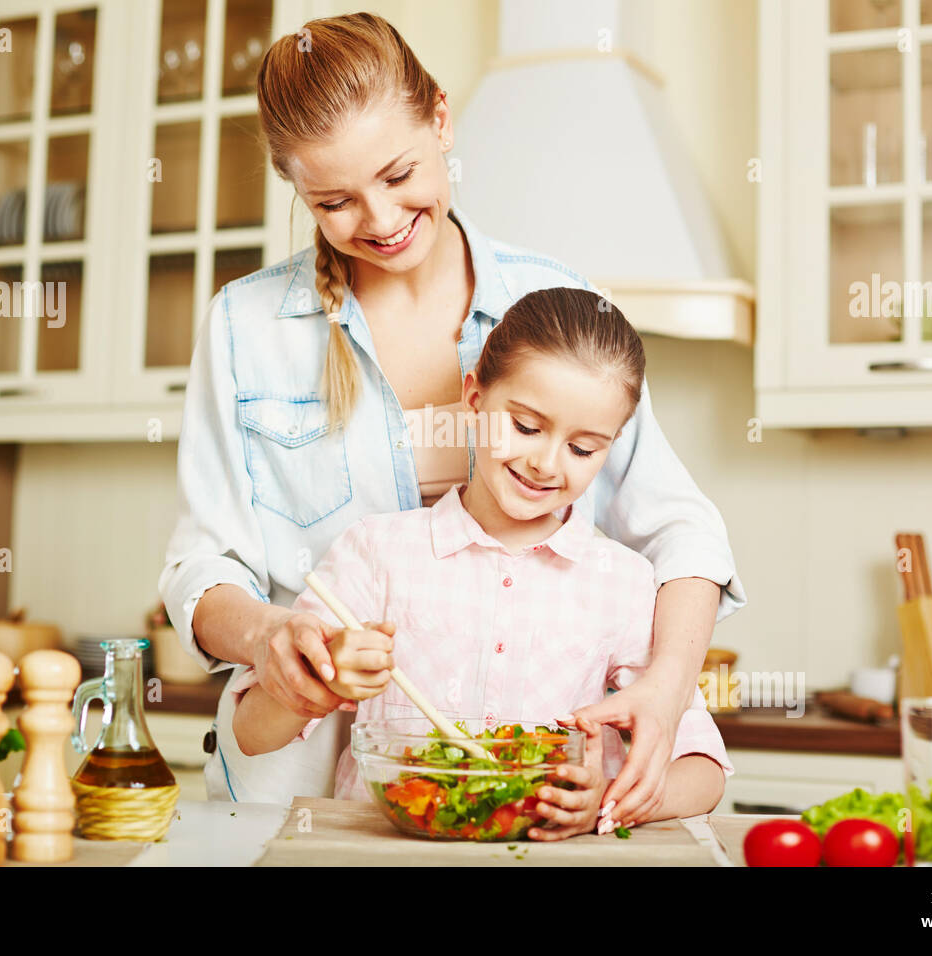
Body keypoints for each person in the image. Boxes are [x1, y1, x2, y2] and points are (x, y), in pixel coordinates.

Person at [158, 12, 746, 828]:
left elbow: (679, 530)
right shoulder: (245, 326)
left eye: (399, 175)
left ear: (440, 118)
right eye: (334, 200)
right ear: (297, 190)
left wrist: (666, 687)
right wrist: (271, 640)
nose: (380, 219)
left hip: (499, 792)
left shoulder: (548, 307)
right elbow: (201, 568)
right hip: (289, 781)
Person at [231, 288, 733, 839]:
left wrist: (605, 808)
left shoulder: (624, 582)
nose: (545, 463)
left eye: (583, 449)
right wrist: (322, 679)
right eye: (525, 427)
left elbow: (704, 771)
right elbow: (253, 733)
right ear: (474, 398)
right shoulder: (376, 553)